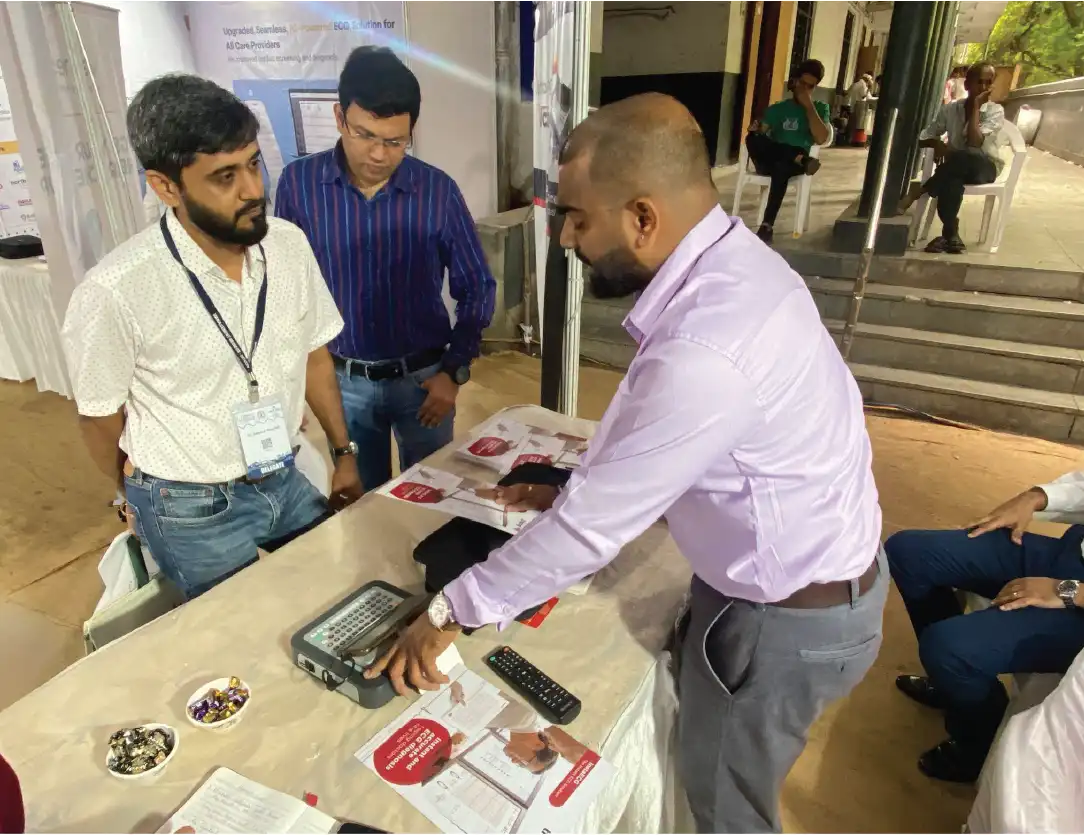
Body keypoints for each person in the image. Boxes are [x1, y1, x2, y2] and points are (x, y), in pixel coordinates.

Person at [366, 93, 887, 834]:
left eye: (579, 219)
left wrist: (452, 609)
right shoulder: (737, 267)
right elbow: (672, 439)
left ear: (642, 217)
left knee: (726, 809)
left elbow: (587, 534)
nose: (568, 240)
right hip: (806, 584)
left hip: (784, 621)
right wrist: (577, 483)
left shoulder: (707, 346)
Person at [61, 75, 362, 600]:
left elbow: (314, 352)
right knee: (241, 633)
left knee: (335, 594)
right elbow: (98, 413)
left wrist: (344, 452)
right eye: (224, 176)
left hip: (283, 473)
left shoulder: (286, 246)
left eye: (252, 164)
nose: (252, 190)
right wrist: (129, 492)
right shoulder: (116, 290)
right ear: (165, 186)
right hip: (188, 505)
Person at [275, 46, 496, 491]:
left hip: (423, 381)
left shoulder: (437, 191)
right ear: (340, 118)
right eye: (365, 135)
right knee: (363, 504)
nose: (379, 154)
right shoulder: (300, 186)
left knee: (432, 496)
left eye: (395, 141)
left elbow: (477, 287)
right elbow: (284, 290)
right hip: (343, 383)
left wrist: (453, 371)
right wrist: (289, 383)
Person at [886, 471, 1084, 784]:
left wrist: (1070, 591)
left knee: (948, 648)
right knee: (908, 552)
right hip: (1073, 556)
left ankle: (978, 743)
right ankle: (955, 683)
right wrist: (1036, 497)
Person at [900, 62, 1007, 255]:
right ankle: (951, 234)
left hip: (984, 167)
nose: (983, 88)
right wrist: (937, 144)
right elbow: (924, 136)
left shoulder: (995, 111)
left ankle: (921, 190)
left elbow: (975, 143)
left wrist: (975, 107)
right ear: (967, 85)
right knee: (951, 181)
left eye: (988, 83)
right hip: (955, 168)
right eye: (978, 82)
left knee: (967, 154)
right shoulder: (950, 109)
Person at [744, 59, 832, 244]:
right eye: (802, 84)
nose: (805, 89)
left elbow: (821, 138)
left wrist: (808, 106)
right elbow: (762, 132)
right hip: (774, 159)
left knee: (781, 166)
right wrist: (757, 129)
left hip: (791, 166)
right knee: (751, 138)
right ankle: (798, 157)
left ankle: (767, 226)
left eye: (811, 87)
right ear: (794, 82)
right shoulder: (777, 109)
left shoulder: (820, 108)